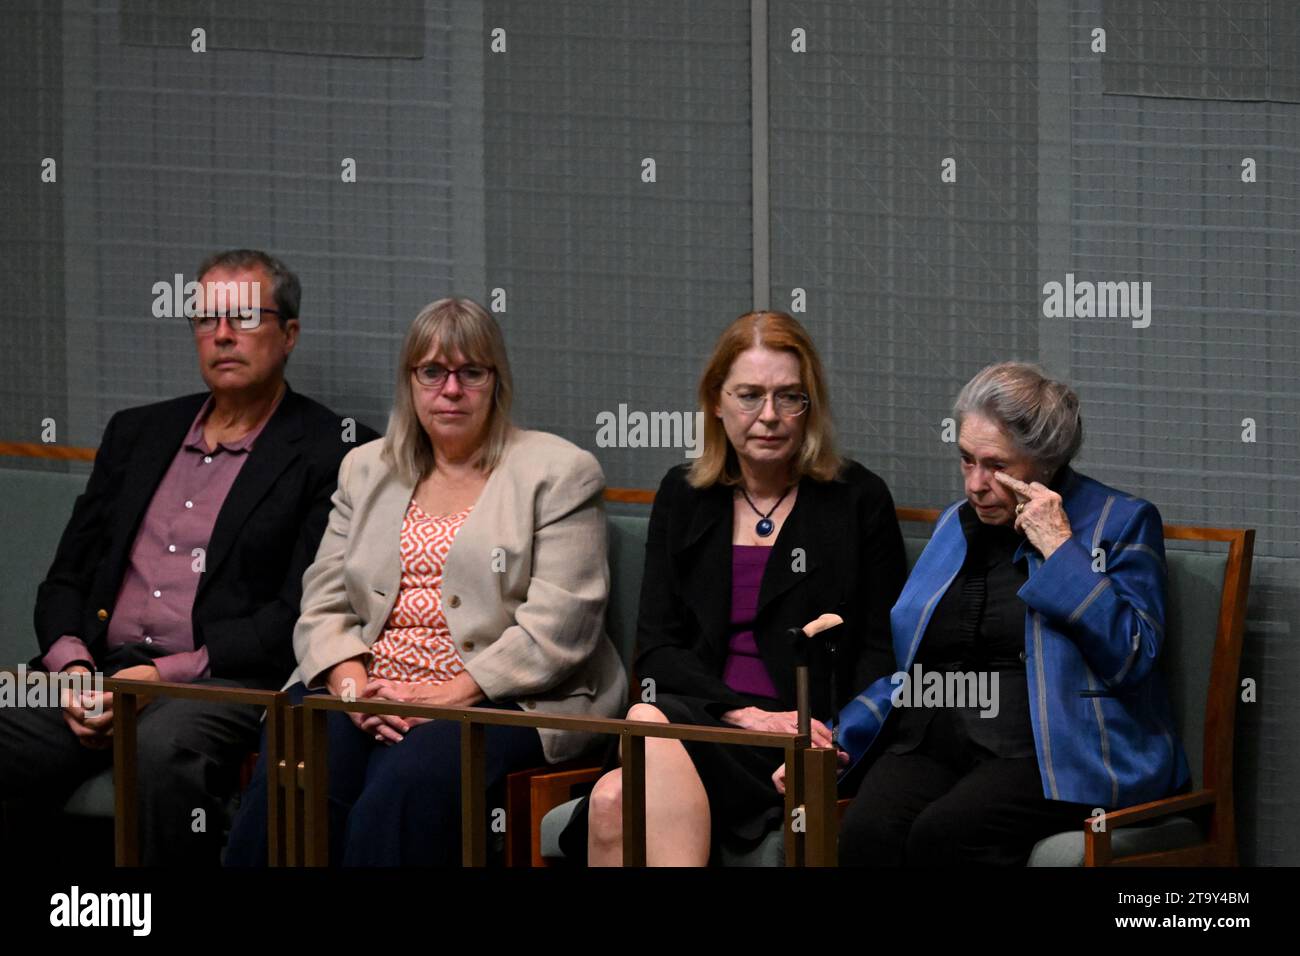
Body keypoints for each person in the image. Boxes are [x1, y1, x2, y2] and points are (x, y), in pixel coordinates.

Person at [0, 249, 375, 865]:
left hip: (218, 681)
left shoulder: (333, 450)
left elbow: (297, 612)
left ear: (289, 335)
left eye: (246, 318)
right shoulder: (138, 433)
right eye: (206, 319)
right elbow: (66, 578)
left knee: (160, 757)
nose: (223, 335)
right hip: (93, 673)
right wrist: (71, 669)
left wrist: (160, 678)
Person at [225, 297, 626, 866]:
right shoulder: (365, 468)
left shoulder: (558, 472)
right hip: (367, 687)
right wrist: (352, 688)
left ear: (496, 380)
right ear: (410, 381)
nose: (451, 390)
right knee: (300, 768)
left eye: (471, 372)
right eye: (432, 372)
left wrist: (446, 698)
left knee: (401, 790)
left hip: (505, 701)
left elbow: (561, 626)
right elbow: (323, 601)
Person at [829, 361, 1190, 865]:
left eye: (995, 466)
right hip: (939, 737)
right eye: (965, 460)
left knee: (945, 834)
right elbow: (911, 669)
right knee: (869, 831)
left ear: (1044, 461)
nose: (975, 484)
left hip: (1054, 751)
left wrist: (1061, 549)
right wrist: (838, 737)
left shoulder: (1121, 521)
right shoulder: (955, 526)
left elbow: (1133, 654)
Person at [580, 310, 907, 866]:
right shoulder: (684, 495)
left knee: (619, 788)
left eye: (789, 397)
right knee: (633, 750)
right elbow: (657, 650)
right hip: (704, 718)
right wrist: (739, 713)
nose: (770, 417)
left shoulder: (857, 500)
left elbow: (883, 653)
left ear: (811, 405)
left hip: (801, 737)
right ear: (716, 400)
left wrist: (827, 738)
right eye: (749, 395)